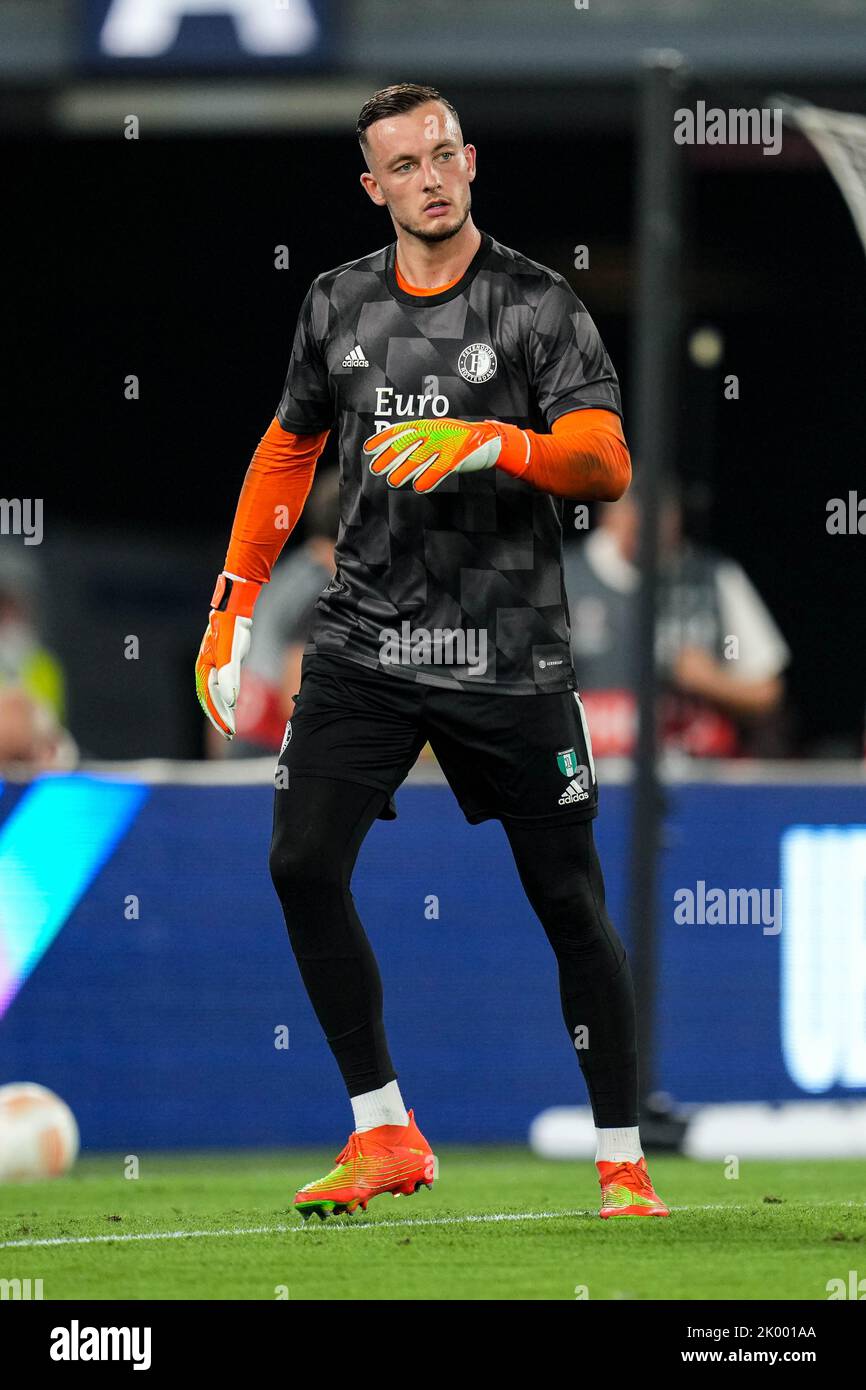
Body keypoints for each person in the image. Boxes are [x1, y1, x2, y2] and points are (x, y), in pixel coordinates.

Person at [195, 83, 668, 1220]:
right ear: (374, 186)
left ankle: (621, 1158)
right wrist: (233, 599)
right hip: (364, 641)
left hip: (507, 652)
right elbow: (286, 448)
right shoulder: (336, 302)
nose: (430, 175)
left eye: (444, 152)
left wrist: (493, 442)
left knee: (567, 902)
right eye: (404, 163)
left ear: (470, 160)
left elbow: (605, 466)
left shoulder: (536, 303)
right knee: (300, 863)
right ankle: (383, 1131)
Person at [564, 486, 790, 759]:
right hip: (595, 775)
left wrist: (712, 681)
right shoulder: (566, 580)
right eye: (636, 523)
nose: (647, 534)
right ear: (609, 519)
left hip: (700, 774)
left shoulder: (713, 577)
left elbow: (768, 693)